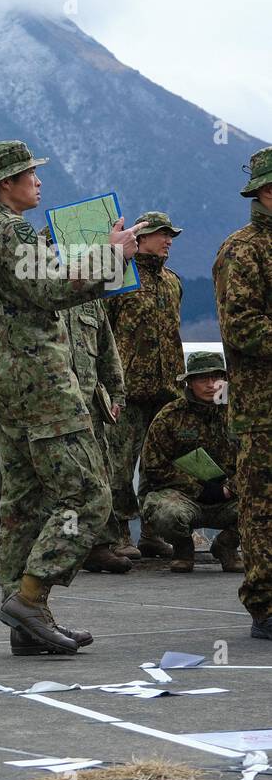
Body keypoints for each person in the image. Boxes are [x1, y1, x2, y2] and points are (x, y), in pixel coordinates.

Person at [0, 140, 138, 655]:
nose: (37, 180)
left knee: (24, 503)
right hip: (39, 383)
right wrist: (114, 256)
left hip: (2, 384)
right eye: (30, 173)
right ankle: (30, 599)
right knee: (89, 495)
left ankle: (26, 626)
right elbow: (49, 287)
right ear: (6, 183)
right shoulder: (9, 229)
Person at [214, 146, 272, 638]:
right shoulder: (244, 250)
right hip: (263, 408)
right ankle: (266, 606)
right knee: (263, 511)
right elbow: (242, 328)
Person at [105, 211, 185, 559]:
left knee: (158, 465)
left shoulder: (172, 282)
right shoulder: (119, 278)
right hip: (129, 388)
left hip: (168, 389)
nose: (168, 241)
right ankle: (119, 532)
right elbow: (102, 331)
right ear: (143, 237)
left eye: (171, 235)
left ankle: (152, 531)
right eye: (162, 234)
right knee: (120, 463)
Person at [139, 351, 242, 574]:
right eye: (203, 379)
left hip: (228, 497)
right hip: (184, 497)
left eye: (217, 378)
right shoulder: (170, 416)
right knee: (164, 511)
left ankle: (226, 546)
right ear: (189, 383)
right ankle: (183, 549)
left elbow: (257, 460)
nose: (211, 385)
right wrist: (198, 489)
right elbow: (154, 467)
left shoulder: (239, 413)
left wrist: (228, 490)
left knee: (263, 503)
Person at [61, 277, 130, 575]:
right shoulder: (39, 293)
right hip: (55, 405)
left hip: (90, 404)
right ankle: (61, 548)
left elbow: (107, 349)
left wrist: (117, 393)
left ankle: (100, 546)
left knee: (100, 475)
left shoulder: (90, 298)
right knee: (61, 479)